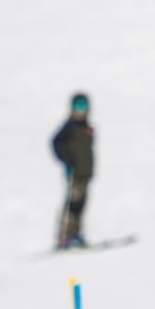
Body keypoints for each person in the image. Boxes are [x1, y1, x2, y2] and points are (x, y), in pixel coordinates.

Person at [50, 92, 94, 249]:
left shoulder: (86, 127)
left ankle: (75, 234)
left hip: (85, 173)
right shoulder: (69, 126)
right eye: (78, 107)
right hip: (74, 173)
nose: (81, 111)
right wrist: (67, 161)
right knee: (72, 203)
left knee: (81, 203)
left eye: (84, 107)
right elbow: (55, 142)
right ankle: (64, 236)